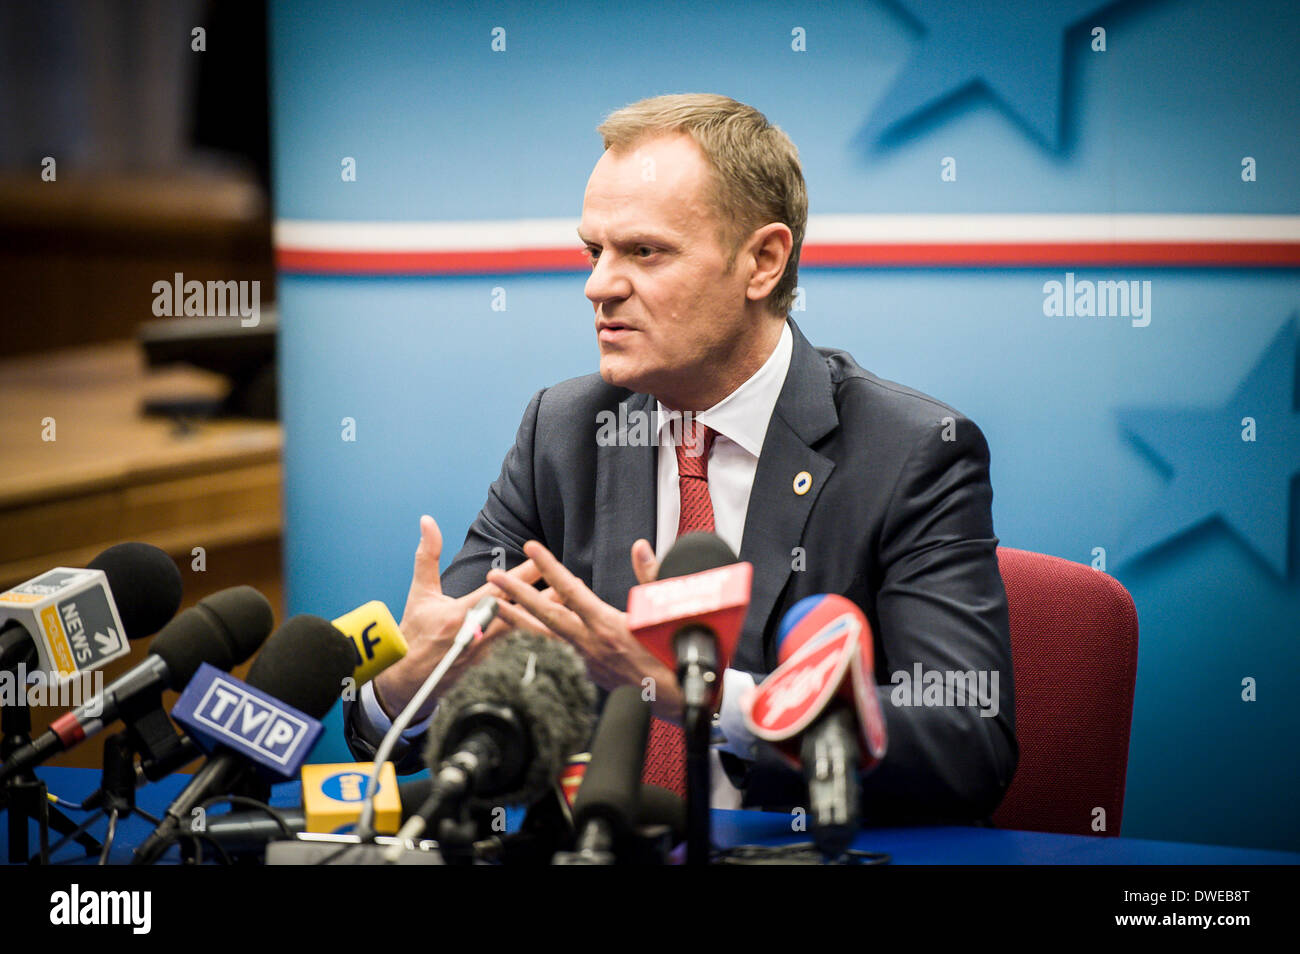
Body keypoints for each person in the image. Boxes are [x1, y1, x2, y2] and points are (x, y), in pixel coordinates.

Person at [343, 93, 1017, 823]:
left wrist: (704, 698)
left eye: (644, 252)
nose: (599, 284)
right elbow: (406, 719)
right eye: (592, 251)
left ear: (762, 261)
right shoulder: (563, 431)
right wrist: (410, 684)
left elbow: (967, 739)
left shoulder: (910, 452)